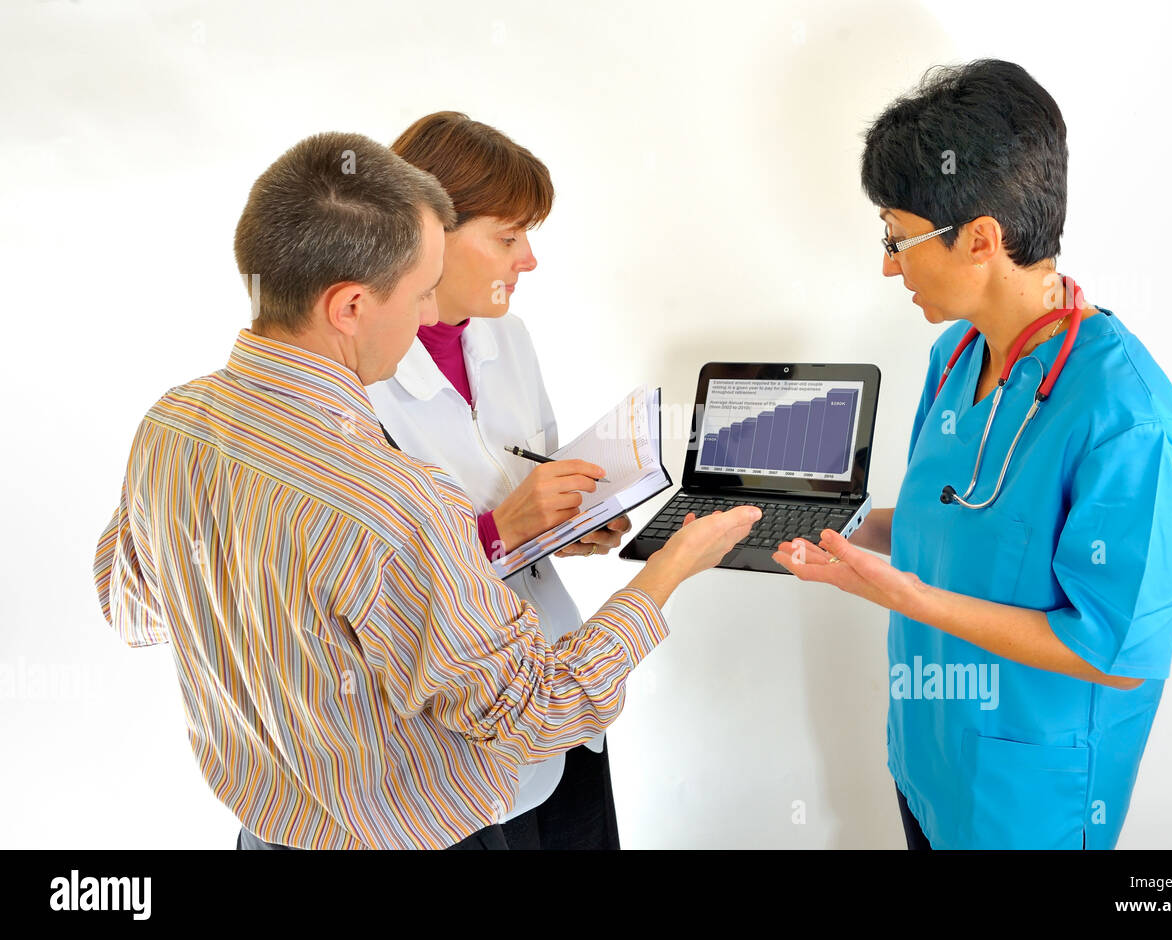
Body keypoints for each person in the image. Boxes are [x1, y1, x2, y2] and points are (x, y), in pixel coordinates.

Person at [93, 130, 760, 850]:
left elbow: (132, 612)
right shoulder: (394, 495)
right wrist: (670, 569)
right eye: (418, 295)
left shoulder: (173, 426)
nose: (427, 320)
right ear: (349, 307)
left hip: (271, 831)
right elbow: (541, 709)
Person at [773, 59, 1172, 850]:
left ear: (982, 240)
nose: (886, 263)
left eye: (897, 238)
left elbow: (1114, 655)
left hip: (1027, 801)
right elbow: (957, 527)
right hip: (929, 761)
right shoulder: (957, 358)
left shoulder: (1131, 420)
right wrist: (839, 525)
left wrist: (904, 597)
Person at [366, 112, 632, 849]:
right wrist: (501, 529)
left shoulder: (507, 337)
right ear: (425, 235)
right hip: (458, 737)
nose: (529, 262)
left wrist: (572, 520)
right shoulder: (354, 376)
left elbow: (522, 476)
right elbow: (376, 579)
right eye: (508, 238)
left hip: (559, 691)